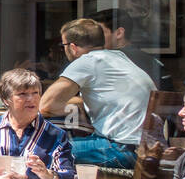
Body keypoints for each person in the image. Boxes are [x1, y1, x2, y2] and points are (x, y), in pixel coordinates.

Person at [40, 18, 154, 168]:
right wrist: (79, 103)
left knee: (42, 148)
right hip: (146, 150)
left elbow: (45, 106)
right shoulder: (120, 58)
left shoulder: (87, 61)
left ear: (73, 47)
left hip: (122, 149)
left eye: (63, 46)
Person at [0, 69, 76, 179]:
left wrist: (48, 174)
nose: (31, 99)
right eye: (22, 94)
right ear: (6, 100)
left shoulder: (56, 135)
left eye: (35, 93)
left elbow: (68, 174)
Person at [90, 8, 172, 90]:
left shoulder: (108, 60)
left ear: (119, 33)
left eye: (99, 33)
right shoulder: (150, 60)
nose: (92, 38)